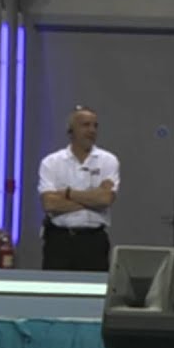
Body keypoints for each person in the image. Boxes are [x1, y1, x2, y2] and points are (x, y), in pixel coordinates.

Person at [36, 106, 119, 272]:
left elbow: (105, 200)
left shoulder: (108, 161)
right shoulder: (51, 162)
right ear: (71, 131)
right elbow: (50, 204)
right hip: (59, 241)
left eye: (95, 126)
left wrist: (67, 193)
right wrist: (92, 199)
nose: (92, 130)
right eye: (85, 125)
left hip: (93, 241)